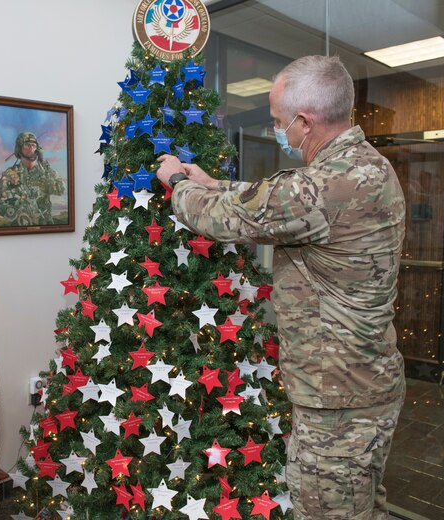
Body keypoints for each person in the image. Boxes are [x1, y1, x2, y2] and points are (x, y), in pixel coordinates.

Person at [157, 55, 406, 520]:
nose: (278, 131)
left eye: (278, 122)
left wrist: (175, 180)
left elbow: (225, 217)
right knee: (363, 507)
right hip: (366, 386)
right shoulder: (366, 168)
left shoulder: (325, 186)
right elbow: (275, 198)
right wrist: (216, 181)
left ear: (305, 122)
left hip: (336, 402)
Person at [0, 132, 65, 226]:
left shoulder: (45, 171)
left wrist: (44, 166)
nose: (31, 148)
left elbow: (60, 189)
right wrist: (20, 209)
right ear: (19, 149)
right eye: (27, 145)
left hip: (46, 228)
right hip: (19, 230)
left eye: (34, 145)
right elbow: (1, 205)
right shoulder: (9, 175)